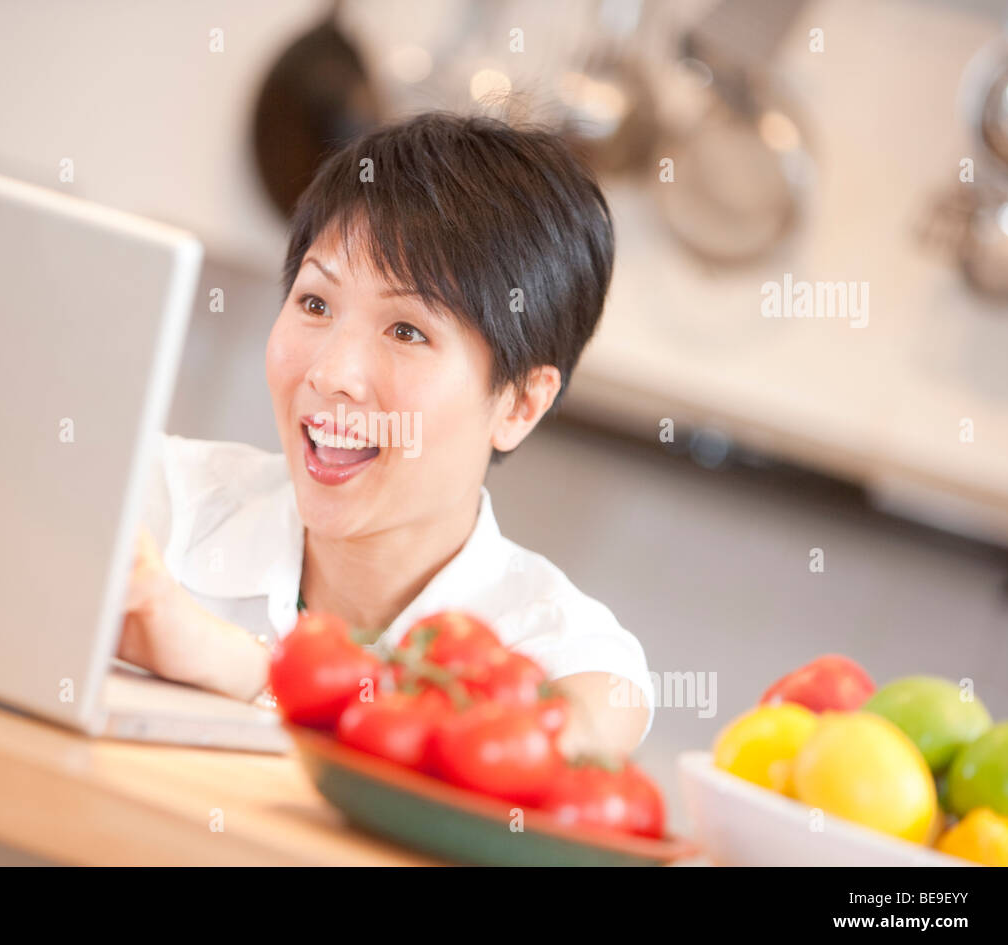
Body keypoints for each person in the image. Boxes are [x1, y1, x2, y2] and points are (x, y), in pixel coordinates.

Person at [118, 110, 654, 756]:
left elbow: (485, 756)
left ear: (519, 404)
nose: (332, 373)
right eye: (315, 304)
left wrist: (237, 664)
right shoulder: (152, 501)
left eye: (407, 331)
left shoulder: (570, 660)